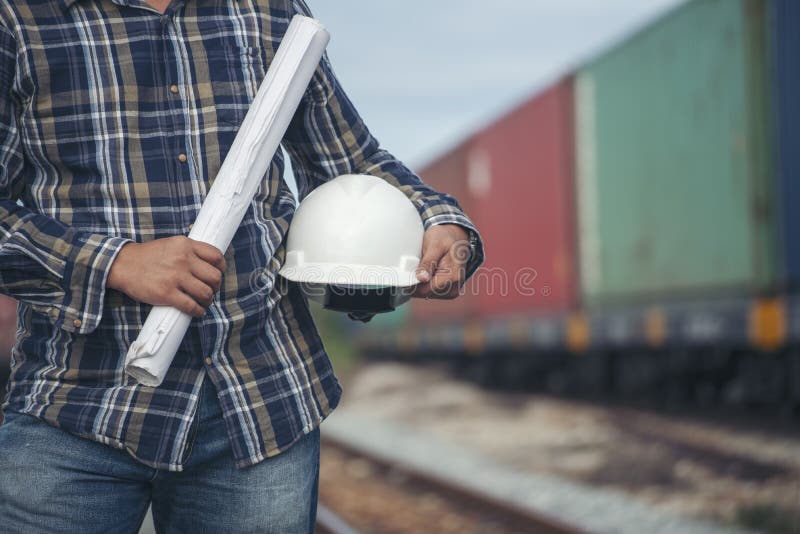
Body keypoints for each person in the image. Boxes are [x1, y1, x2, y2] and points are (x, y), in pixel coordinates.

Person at [0, 0, 484, 532]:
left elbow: (351, 162)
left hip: (259, 400)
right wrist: (115, 264)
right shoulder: (20, 20)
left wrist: (437, 219)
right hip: (75, 405)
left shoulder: (267, 9)